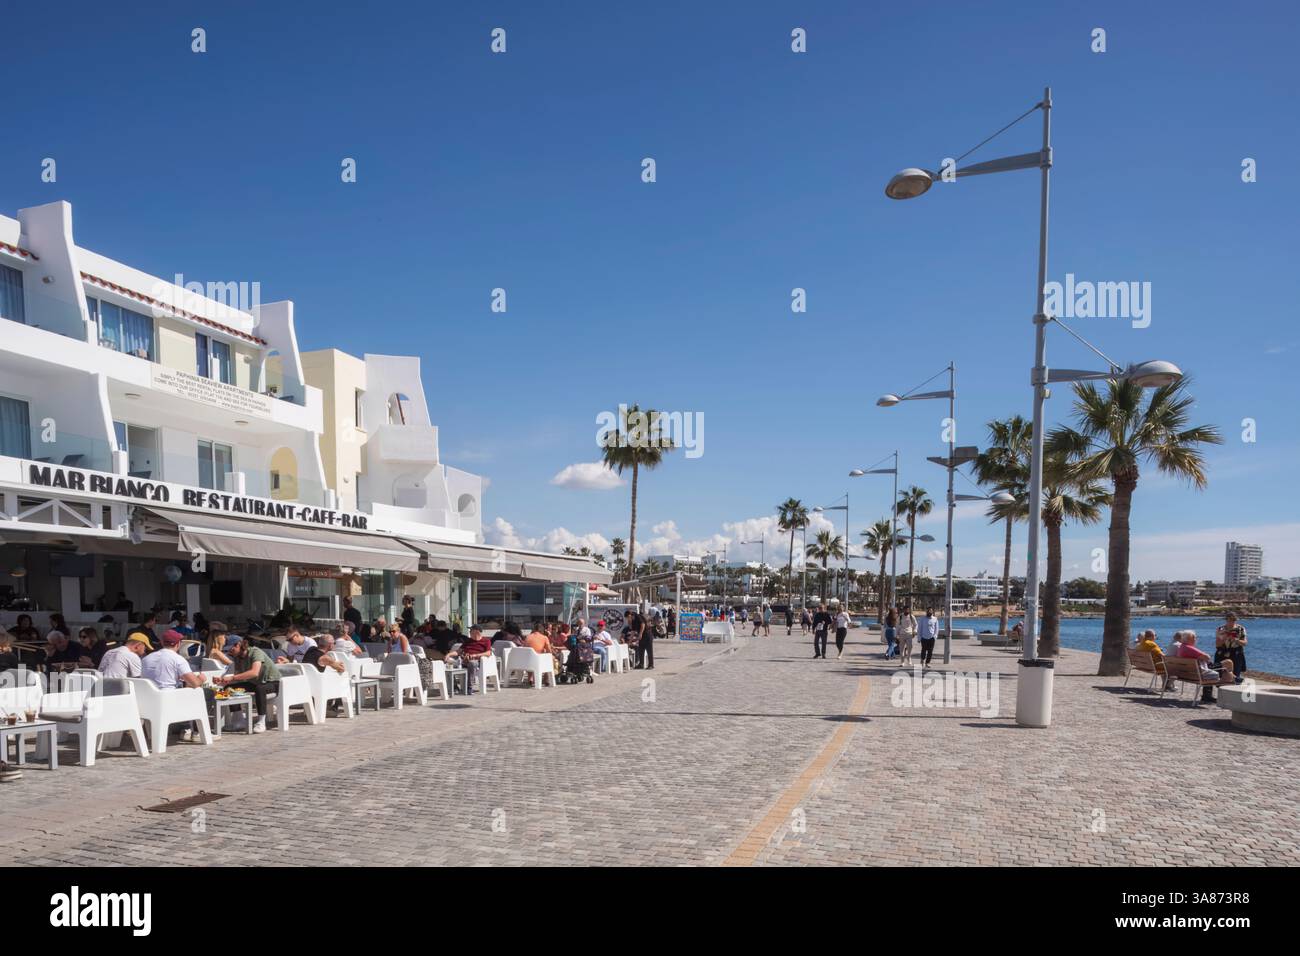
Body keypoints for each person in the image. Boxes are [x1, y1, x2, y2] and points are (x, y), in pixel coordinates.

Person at [215, 637, 282, 733]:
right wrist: (222, 680)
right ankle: (238, 720)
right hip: (255, 682)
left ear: (238, 645)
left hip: (271, 682)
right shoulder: (237, 658)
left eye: (231, 648)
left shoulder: (255, 652)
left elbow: (254, 672)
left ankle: (261, 722)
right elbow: (239, 677)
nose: (230, 651)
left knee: (260, 689)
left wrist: (232, 678)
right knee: (228, 688)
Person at [1174, 630, 1232, 703]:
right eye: (1194, 638)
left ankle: (1208, 695)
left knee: (1223, 667)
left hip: (1190, 673)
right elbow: (1207, 657)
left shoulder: (1182, 647)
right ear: (1189, 639)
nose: (1196, 639)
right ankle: (1232, 682)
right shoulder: (1189, 648)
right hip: (1199, 673)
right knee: (1228, 663)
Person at [1214, 612, 1248, 684]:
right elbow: (1217, 645)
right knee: (1220, 674)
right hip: (1222, 654)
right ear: (1226, 620)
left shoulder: (1241, 629)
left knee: (1236, 674)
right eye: (1229, 620)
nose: (1231, 622)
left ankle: (1234, 691)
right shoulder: (1220, 629)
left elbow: (1245, 643)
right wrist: (1224, 638)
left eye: (1233, 620)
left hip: (1236, 654)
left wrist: (1236, 640)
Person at [459, 625, 493, 693]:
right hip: (465, 659)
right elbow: (459, 651)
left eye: (471, 631)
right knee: (449, 663)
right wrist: (449, 655)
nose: (469, 632)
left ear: (477, 632)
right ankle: (454, 687)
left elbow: (488, 653)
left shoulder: (486, 641)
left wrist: (475, 655)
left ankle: (469, 687)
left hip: (478, 662)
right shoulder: (468, 641)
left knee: (472, 663)